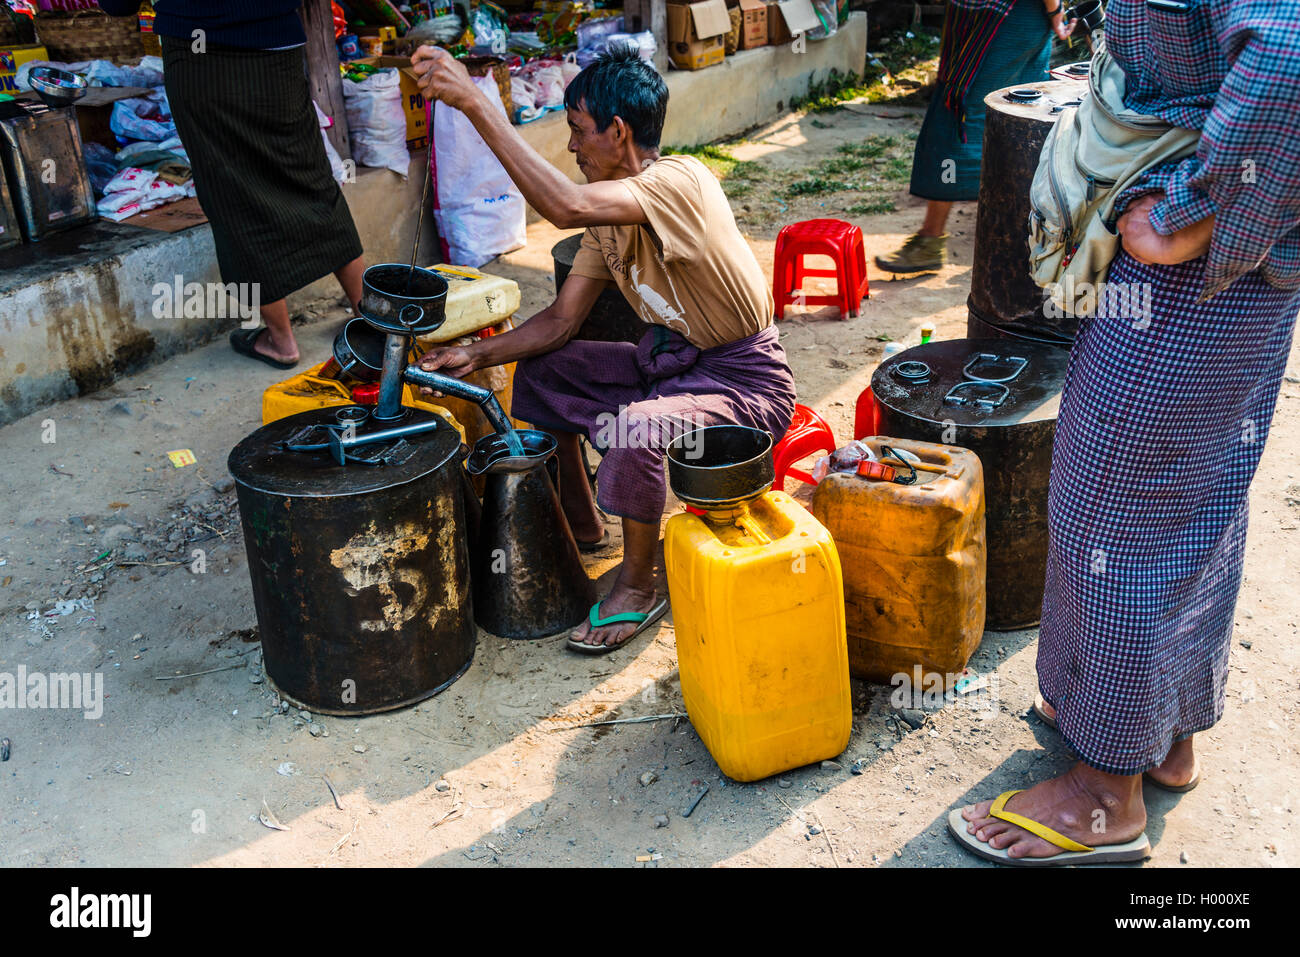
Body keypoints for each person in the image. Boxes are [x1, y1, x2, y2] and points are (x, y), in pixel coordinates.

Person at [950, 0, 1300, 864]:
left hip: (1197, 270)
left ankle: (1107, 790)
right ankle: (1161, 728)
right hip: (1232, 266)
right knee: (1192, 491)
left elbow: (1290, 52)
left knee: (1117, 502)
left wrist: (1194, 210)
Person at [411, 46, 796, 654]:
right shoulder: (608, 217)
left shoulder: (680, 181)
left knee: (637, 430)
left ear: (619, 133)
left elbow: (561, 205)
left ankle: (638, 586)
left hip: (744, 384)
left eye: (576, 130)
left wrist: (475, 104)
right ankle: (584, 519)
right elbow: (562, 321)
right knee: (543, 369)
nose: (571, 147)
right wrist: (480, 356)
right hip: (670, 364)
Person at [97, 1, 366, 368]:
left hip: (201, 50)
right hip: (276, 41)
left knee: (233, 188)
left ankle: (281, 340)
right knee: (309, 173)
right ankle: (368, 311)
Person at [875, 0, 1074, 274]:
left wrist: (1054, 11)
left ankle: (948, 240)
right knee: (989, 113)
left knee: (971, 115)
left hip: (1009, 19)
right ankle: (1017, 244)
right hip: (978, 16)